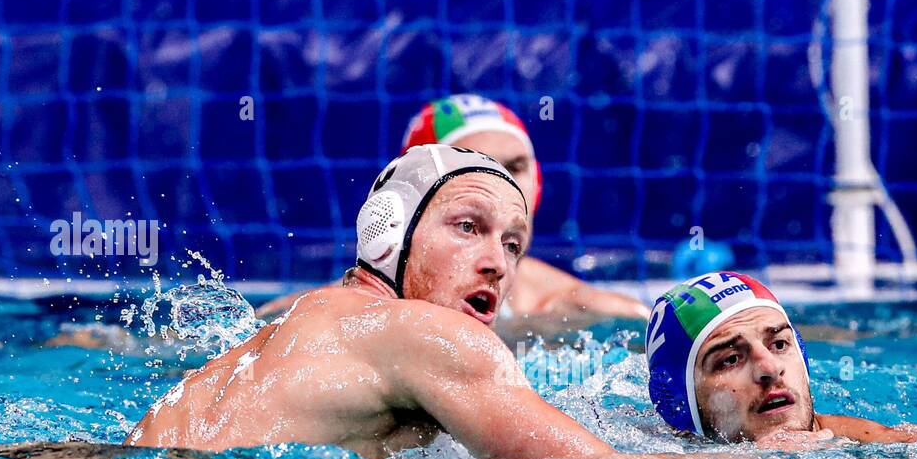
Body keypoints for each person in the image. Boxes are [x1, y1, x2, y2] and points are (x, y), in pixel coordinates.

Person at [126, 145, 774, 459]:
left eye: (513, 243)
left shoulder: (296, 329)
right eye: (468, 227)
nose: (498, 262)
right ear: (389, 238)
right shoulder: (423, 334)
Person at [256, 94, 649, 328]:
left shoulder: (591, 315)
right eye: (481, 167)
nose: (501, 186)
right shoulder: (318, 320)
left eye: (514, 167)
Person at [645, 271, 917, 450]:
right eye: (731, 358)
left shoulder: (871, 444)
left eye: (780, 344)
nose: (769, 369)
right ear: (677, 404)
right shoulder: (653, 455)